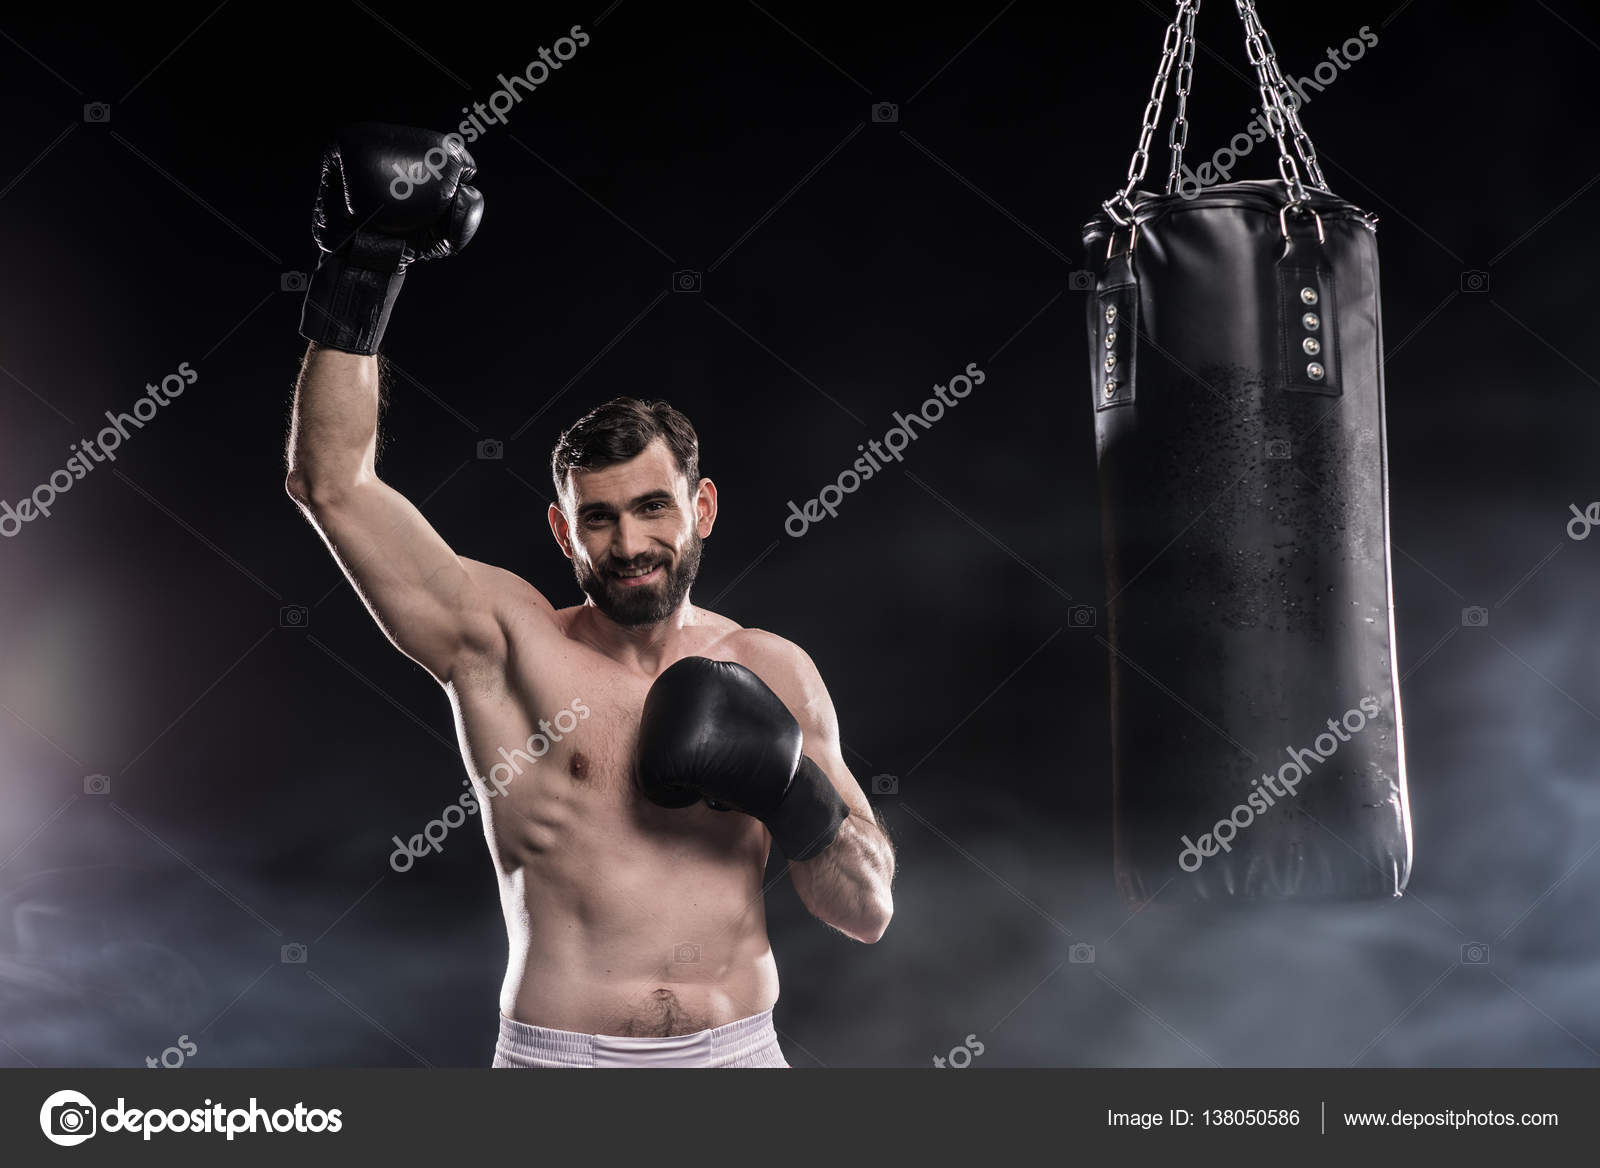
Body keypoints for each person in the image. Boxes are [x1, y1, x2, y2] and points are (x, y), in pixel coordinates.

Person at [284, 123, 895, 1068]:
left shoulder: (773, 669)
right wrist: (363, 272)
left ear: (703, 508)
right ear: (565, 531)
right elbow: (332, 483)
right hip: (561, 1065)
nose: (630, 544)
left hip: (742, 1058)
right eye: (598, 519)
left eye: (653, 509)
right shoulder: (503, 646)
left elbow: (866, 912)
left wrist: (792, 791)